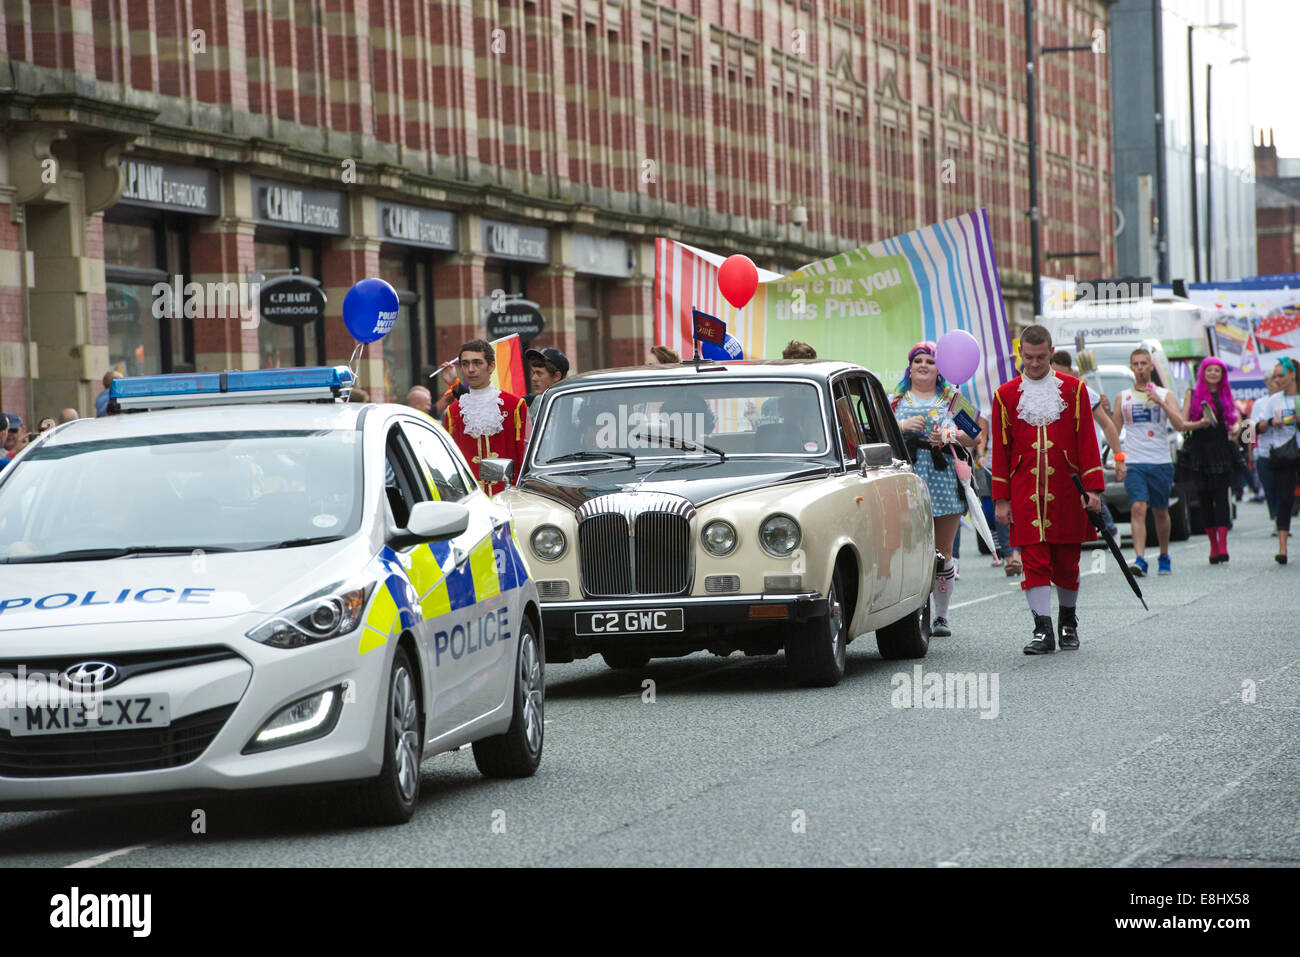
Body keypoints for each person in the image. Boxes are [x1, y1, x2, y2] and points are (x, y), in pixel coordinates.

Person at [992, 324, 1104, 655]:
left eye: (1041, 357)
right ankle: (1042, 629)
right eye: (1028, 357)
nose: (1035, 363)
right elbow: (1001, 450)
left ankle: (1068, 622)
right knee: (1034, 560)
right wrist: (1001, 498)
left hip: (1068, 490)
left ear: (1051, 353)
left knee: (1067, 562)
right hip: (1024, 489)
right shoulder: (1005, 396)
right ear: (1020, 354)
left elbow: (1087, 441)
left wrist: (1093, 488)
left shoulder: (1074, 390)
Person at [891, 342, 976, 638]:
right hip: (909, 481)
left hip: (943, 482)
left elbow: (974, 435)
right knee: (910, 551)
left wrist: (948, 434)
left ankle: (941, 615)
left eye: (930, 361)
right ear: (910, 367)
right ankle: (913, 611)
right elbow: (873, 432)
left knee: (943, 553)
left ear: (939, 369)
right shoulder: (894, 400)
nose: (924, 365)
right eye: (918, 361)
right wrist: (901, 426)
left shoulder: (953, 398)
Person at [1110, 347, 1199, 577]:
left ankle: (1164, 554)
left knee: (1160, 511)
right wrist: (1119, 459)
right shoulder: (1124, 397)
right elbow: (1114, 431)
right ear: (1131, 367)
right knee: (1138, 507)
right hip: (1135, 461)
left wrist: (1160, 401)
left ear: (1151, 367)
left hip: (1160, 461)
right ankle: (1140, 559)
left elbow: (1179, 425)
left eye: (1144, 363)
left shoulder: (1164, 394)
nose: (1140, 367)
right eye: (1136, 363)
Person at [1051, 350, 1123, 542]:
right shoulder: (1044, 392)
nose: (1058, 377)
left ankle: (1109, 529)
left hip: (1086, 457)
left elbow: (1107, 425)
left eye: (1062, 373)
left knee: (1086, 494)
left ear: (1070, 371)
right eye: (1054, 373)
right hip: (1058, 458)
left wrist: (1119, 458)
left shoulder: (1083, 391)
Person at [444, 338, 529, 495]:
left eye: (477, 363)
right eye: (465, 364)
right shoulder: (454, 412)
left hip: (508, 497)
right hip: (470, 499)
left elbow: (523, 454)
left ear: (491, 366)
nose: (471, 369)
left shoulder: (515, 406)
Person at [1182, 357, 1239, 564]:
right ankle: (1213, 546)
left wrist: (1236, 428)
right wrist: (1200, 423)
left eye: (1218, 370)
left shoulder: (1226, 394)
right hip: (1200, 450)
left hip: (1221, 450)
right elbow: (1182, 423)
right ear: (1203, 373)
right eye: (1210, 370)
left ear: (1222, 375)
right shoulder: (1192, 394)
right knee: (1204, 498)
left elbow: (1237, 419)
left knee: (1222, 497)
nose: (1214, 373)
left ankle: (1223, 545)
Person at [1254, 357, 1300, 564]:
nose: (1277, 380)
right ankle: (1282, 548)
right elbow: (1256, 426)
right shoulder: (1273, 400)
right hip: (1283, 454)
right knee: (1285, 500)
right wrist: (1272, 422)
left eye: (1281, 375)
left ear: (1293, 375)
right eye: (1275, 376)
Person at [1251, 369, 1284, 521]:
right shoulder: (1259, 403)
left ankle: (1284, 519)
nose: (1274, 383)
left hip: (1286, 451)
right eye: (1270, 380)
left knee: (1284, 488)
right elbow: (1250, 428)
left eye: (1277, 378)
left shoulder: (1289, 400)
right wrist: (1251, 450)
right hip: (1264, 451)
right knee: (1269, 487)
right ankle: (1276, 517)